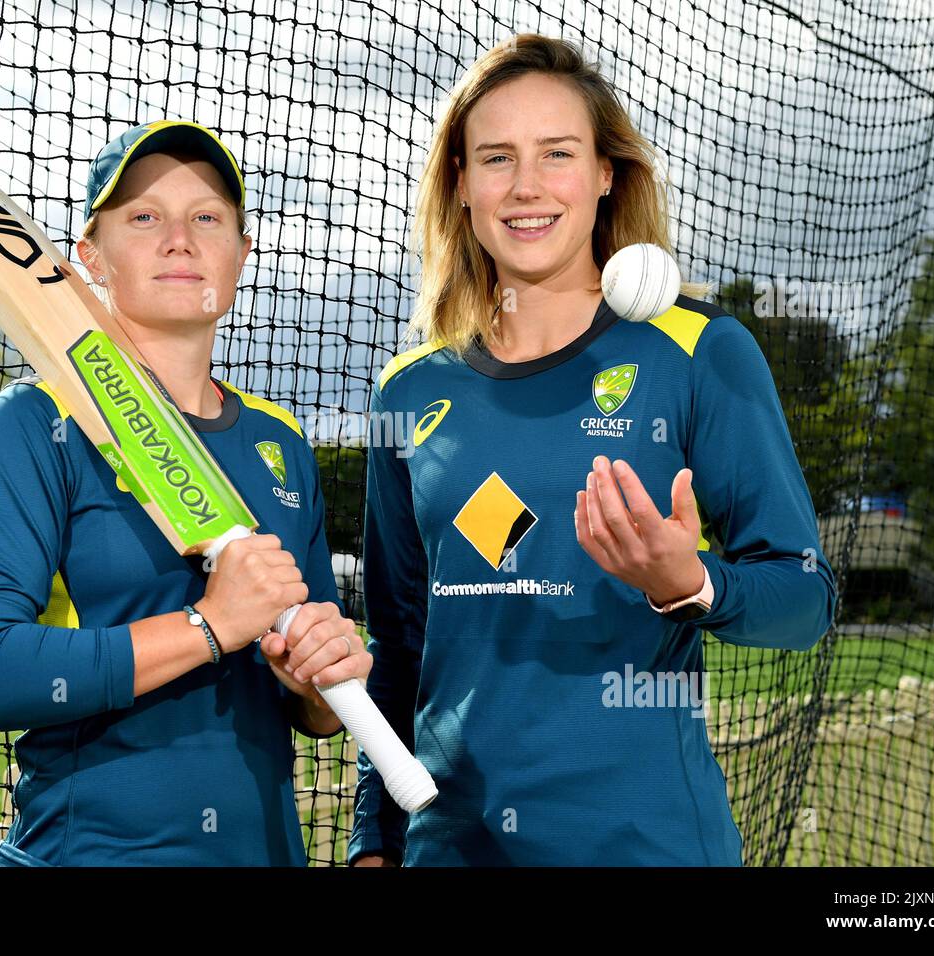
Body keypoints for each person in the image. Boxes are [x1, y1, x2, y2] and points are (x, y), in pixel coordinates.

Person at [349, 36, 837, 866]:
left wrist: (690, 582)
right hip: (452, 851)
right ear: (460, 184)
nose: (527, 186)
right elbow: (399, 645)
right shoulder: (407, 391)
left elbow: (806, 601)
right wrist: (373, 841)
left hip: (646, 846)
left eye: (558, 154)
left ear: (606, 173)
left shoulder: (697, 350)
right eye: (496, 157)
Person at [0, 120, 370, 865]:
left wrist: (323, 679)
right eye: (144, 217)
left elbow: (312, 710)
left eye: (207, 217)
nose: (180, 238)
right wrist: (207, 625)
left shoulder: (280, 442)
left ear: (241, 252)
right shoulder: (35, 425)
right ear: (90, 257)